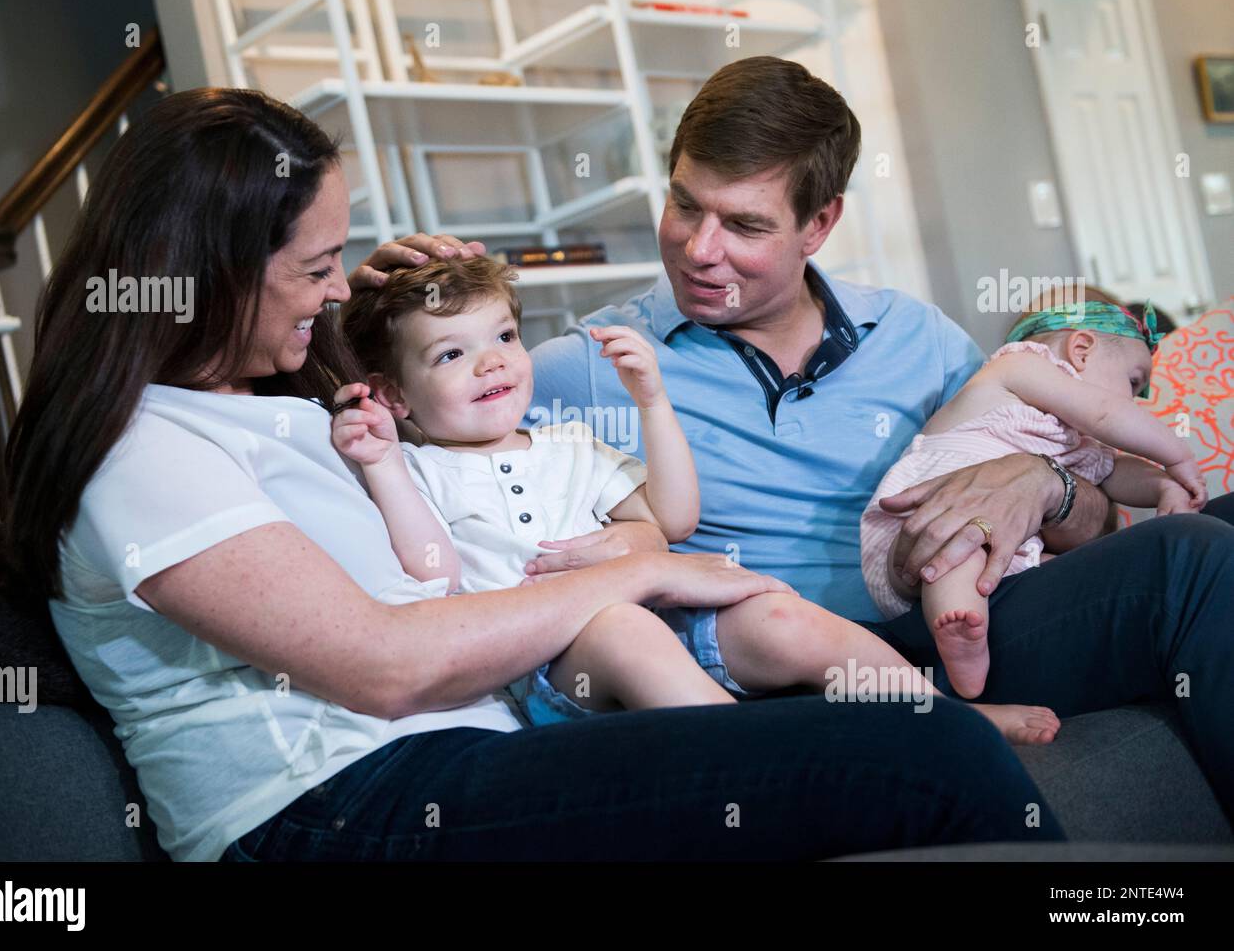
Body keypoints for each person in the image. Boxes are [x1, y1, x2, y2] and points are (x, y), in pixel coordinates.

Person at [4, 87, 1062, 862]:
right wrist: (637, 576)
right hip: (331, 809)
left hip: (461, 751)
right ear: (216, 272)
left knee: (908, 744)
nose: (334, 291)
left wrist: (383, 317)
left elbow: (399, 430)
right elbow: (381, 666)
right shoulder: (138, 451)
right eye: (317, 267)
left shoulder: (269, 400)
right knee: (930, 760)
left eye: (342, 264)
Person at [501, 56, 1234, 820]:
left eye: (745, 224)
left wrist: (1047, 484)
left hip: (968, 626)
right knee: (1189, 556)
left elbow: (1102, 524)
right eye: (685, 205)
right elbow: (412, 425)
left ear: (820, 224)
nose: (698, 248)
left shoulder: (918, 337)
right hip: (787, 661)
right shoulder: (590, 366)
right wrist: (384, 321)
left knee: (1217, 528)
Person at [333, 255, 1058, 742]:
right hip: (548, 674)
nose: (493, 360)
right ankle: (754, 771)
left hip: (669, 628)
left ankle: (949, 722)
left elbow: (671, 517)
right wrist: (385, 467)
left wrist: (652, 400)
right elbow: (434, 576)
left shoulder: (568, 447)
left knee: (777, 616)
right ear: (395, 395)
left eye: (503, 335)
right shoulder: (417, 469)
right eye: (451, 354)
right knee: (619, 626)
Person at [860, 300, 1207, 698]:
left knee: (1062, 570)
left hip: (1001, 551)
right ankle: (961, 634)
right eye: (1133, 382)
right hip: (929, 512)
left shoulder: (1070, 439)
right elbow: (1106, 414)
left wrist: (1164, 485)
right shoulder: (1018, 368)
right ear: (1081, 349)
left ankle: (977, 628)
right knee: (963, 541)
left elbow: (1113, 471)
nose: (1133, 402)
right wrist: (1177, 456)